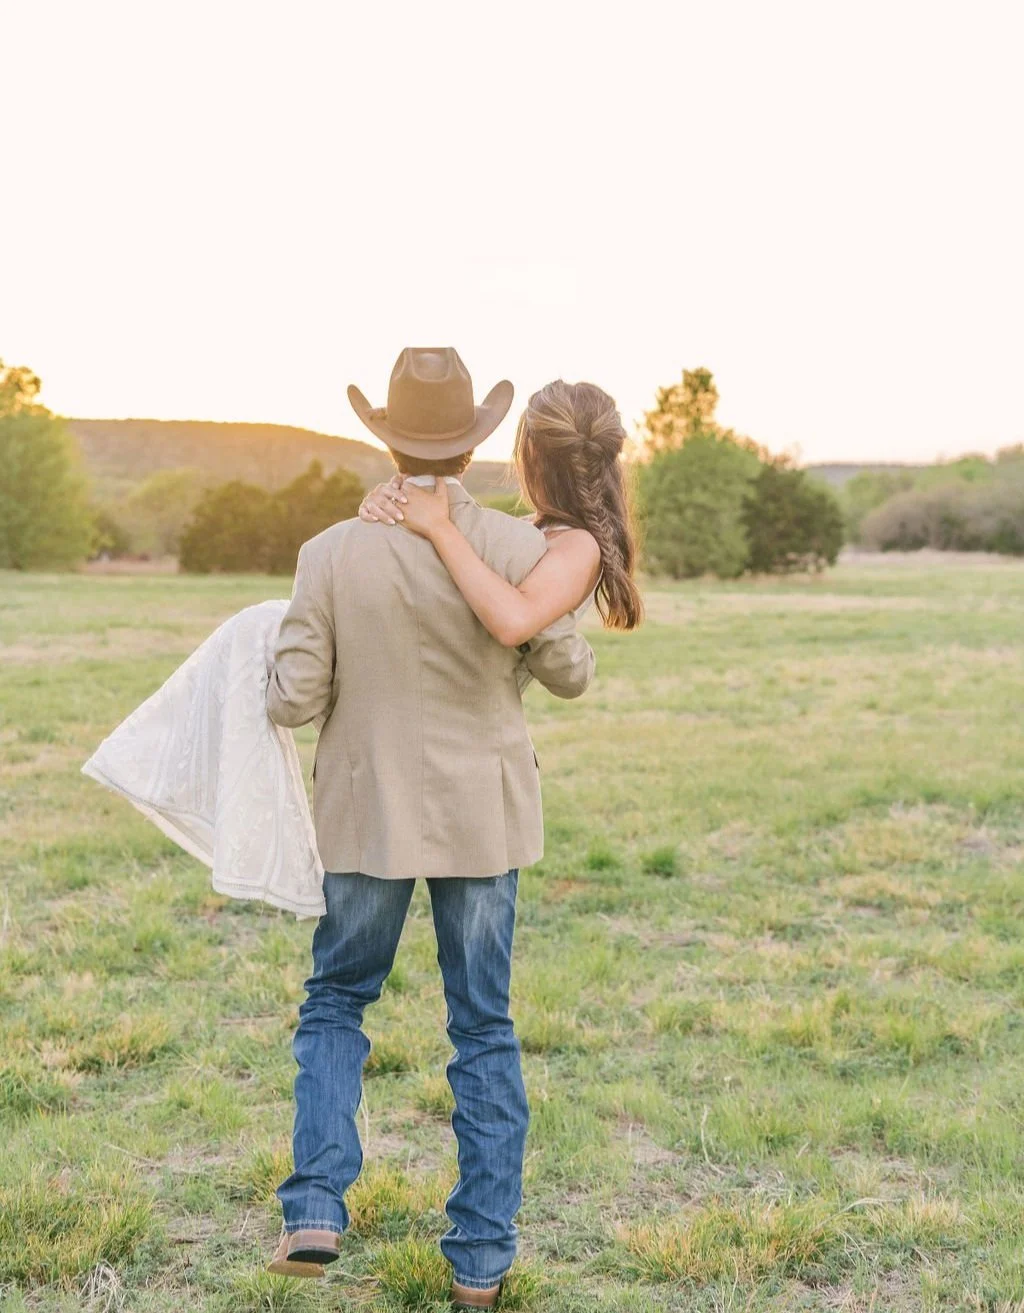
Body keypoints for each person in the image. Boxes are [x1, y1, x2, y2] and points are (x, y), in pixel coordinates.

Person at [264, 347, 597, 1310]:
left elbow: (292, 700)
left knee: (336, 1003)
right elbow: (570, 672)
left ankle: (317, 1206)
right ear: (473, 443)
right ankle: (482, 1262)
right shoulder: (515, 545)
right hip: (480, 821)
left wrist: (259, 657)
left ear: (389, 437)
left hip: (366, 818)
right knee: (481, 1027)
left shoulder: (330, 551)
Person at [357, 377, 644, 649]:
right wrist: (393, 499)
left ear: (530, 453)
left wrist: (439, 527)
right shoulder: (532, 531)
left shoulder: (580, 546)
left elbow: (514, 623)